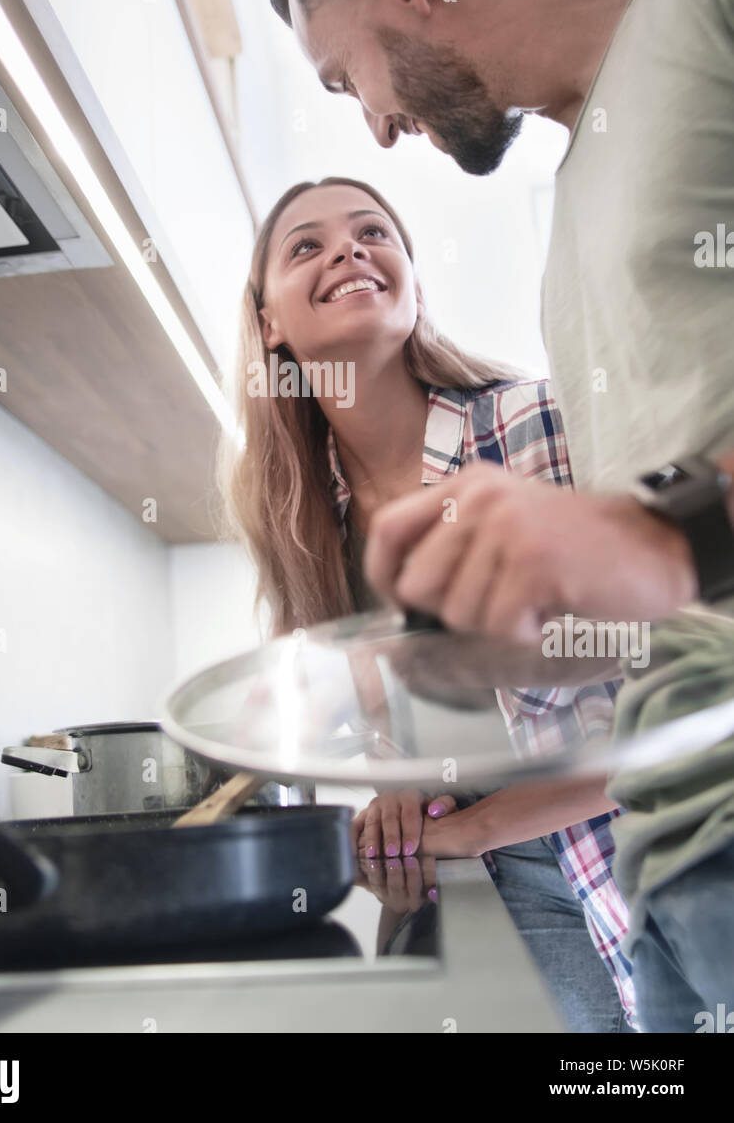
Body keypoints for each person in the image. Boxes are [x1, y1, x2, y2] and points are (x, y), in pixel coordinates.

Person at [265, 0, 734, 1031]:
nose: (368, 125)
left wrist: (658, 538)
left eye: (342, 75)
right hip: (678, 860)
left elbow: (655, 553)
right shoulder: (571, 215)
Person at [221, 173, 636, 1032]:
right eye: (307, 246)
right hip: (478, 885)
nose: (347, 249)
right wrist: (397, 816)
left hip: (624, 852)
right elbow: (400, 748)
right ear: (269, 323)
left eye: (373, 232)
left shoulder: (535, 426)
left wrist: (480, 826)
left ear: (411, 279)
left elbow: (677, 700)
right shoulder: (306, 538)